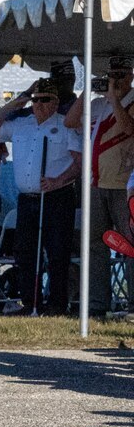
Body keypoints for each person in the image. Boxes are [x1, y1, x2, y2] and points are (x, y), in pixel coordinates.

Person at [0, 78, 81, 315]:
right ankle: (30, 302)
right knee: (25, 252)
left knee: (57, 252)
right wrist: (13, 104)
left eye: (45, 100)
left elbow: (79, 162)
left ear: (55, 103)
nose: (39, 105)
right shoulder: (22, 124)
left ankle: (56, 304)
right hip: (27, 198)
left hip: (56, 197)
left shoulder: (66, 125)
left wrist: (58, 181)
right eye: (36, 100)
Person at [64, 55, 134, 316]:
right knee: (95, 243)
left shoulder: (130, 101)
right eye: (112, 74)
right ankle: (96, 304)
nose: (115, 80)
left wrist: (116, 100)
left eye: (121, 75)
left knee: (129, 244)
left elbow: (128, 129)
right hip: (95, 183)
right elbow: (70, 121)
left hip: (123, 184)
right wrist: (87, 90)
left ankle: (131, 303)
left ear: (130, 77)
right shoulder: (97, 105)